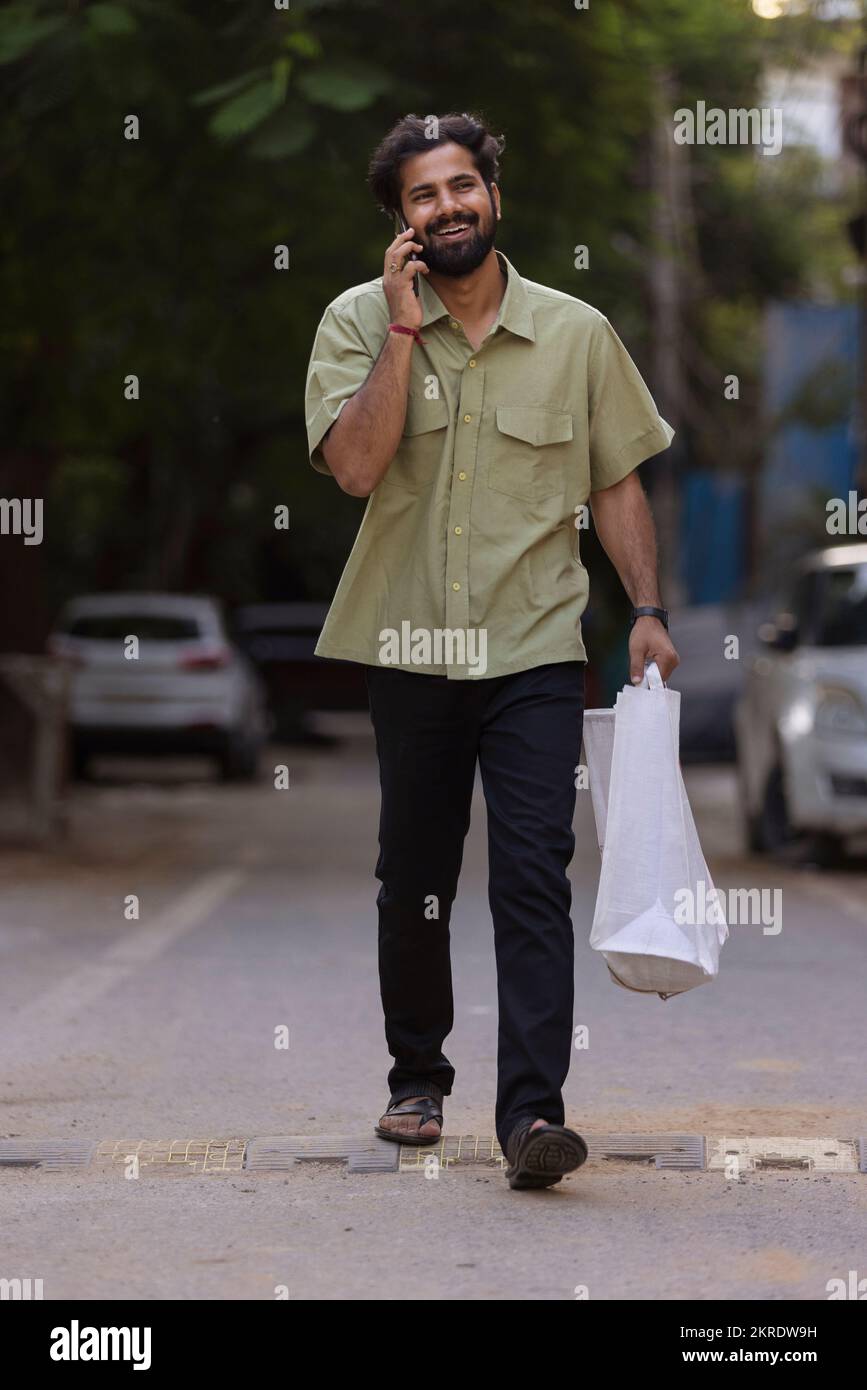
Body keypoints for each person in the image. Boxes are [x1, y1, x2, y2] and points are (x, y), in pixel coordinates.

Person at [304, 112, 680, 1190]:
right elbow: (358, 467)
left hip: (533, 651)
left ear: (494, 199)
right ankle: (417, 1076)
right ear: (401, 222)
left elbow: (615, 479)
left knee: (531, 875)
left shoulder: (576, 333)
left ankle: (532, 1117)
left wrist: (645, 606)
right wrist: (403, 330)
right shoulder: (353, 323)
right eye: (423, 195)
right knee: (414, 877)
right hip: (410, 646)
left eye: (462, 185)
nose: (448, 206)